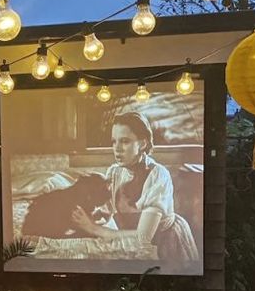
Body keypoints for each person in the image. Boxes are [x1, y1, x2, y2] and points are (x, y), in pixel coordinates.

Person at [71, 111, 198, 266]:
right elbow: (110, 213)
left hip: (164, 243)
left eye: (125, 141)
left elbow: (144, 238)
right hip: (131, 239)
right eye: (114, 141)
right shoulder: (115, 172)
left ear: (143, 143)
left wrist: (93, 228)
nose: (117, 149)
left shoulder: (158, 175)